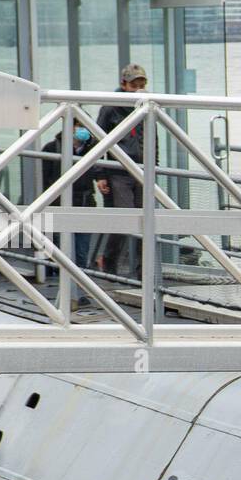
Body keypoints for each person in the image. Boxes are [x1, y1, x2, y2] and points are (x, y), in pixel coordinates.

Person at [95, 63, 153, 279]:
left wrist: (153, 167)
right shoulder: (110, 107)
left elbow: (150, 138)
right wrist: (100, 174)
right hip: (118, 171)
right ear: (123, 84)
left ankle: (142, 272)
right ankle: (109, 264)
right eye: (134, 84)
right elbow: (97, 140)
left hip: (142, 171)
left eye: (141, 84)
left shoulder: (146, 105)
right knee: (125, 219)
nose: (138, 88)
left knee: (146, 220)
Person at [42, 125, 101, 306]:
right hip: (62, 205)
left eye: (84, 127)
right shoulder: (52, 149)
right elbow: (45, 180)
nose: (81, 131)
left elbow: (98, 172)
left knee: (82, 252)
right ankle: (68, 294)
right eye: (77, 127)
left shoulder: (93, 149)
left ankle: (77, 293)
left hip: (84, 204)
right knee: (66, 252)